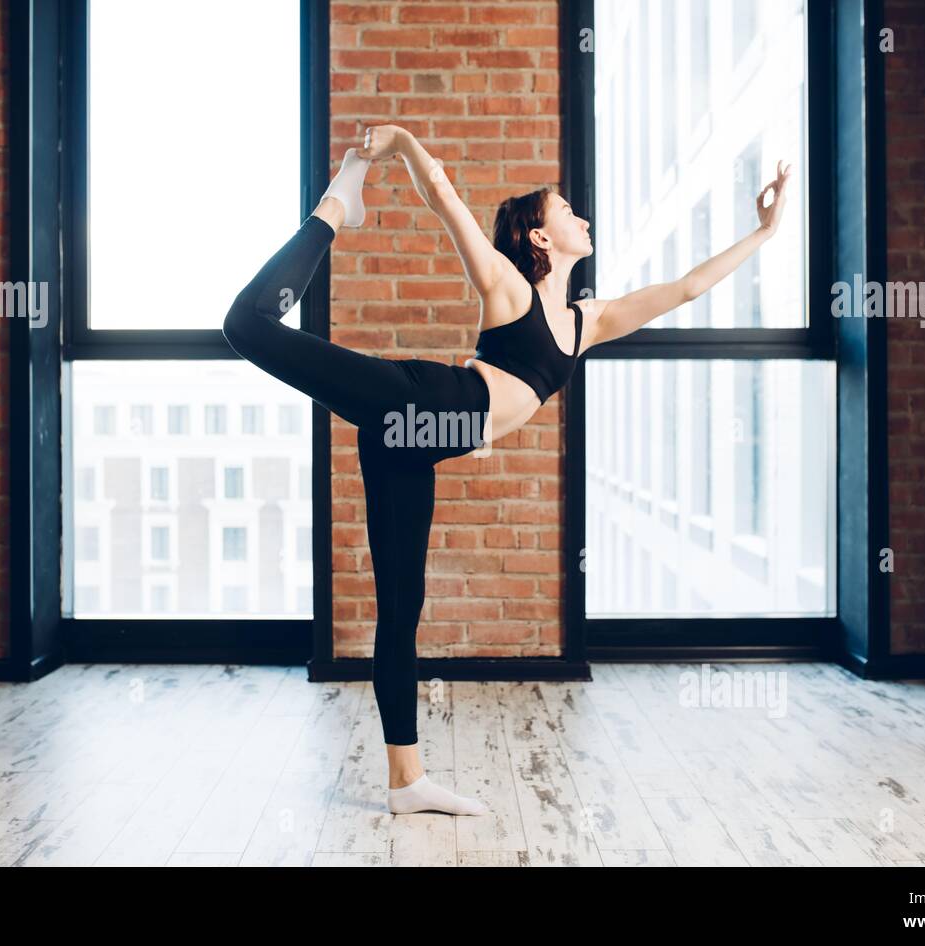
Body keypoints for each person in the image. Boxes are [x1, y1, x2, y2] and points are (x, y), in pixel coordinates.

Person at [222, 124, 792, 815]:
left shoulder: (589, 321)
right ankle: (340, 203)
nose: (582, 217)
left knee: (401, 609)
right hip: (414, 399)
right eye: (566, 211)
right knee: (248, 326)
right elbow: (442, 197)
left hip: (413, 443)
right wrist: (399, 141)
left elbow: (688, 288)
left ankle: (407, 782)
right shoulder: (506, 288)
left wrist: (764, 232)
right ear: (542, 238)